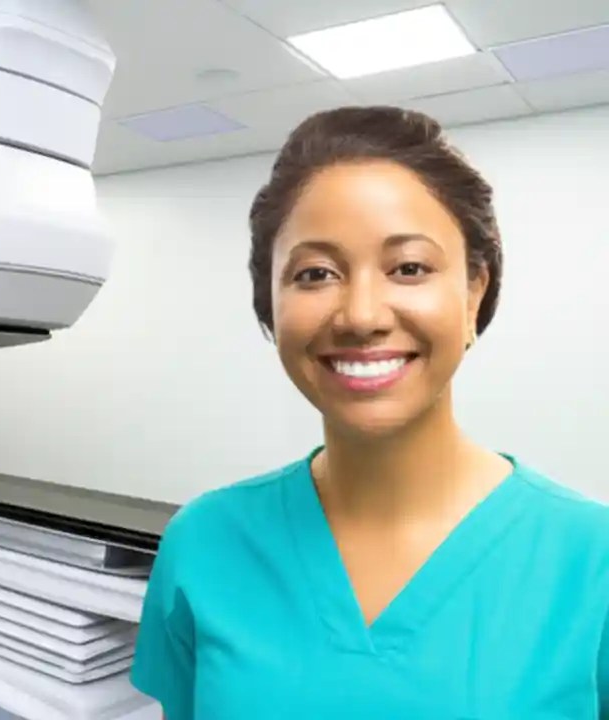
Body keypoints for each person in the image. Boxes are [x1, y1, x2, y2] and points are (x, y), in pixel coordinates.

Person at [130, 106, 609, 719]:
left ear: (473, 292)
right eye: (315, 273)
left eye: (409, 268)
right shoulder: (204, 544)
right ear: (270, 307)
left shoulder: (588, 561)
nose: (361, 314)